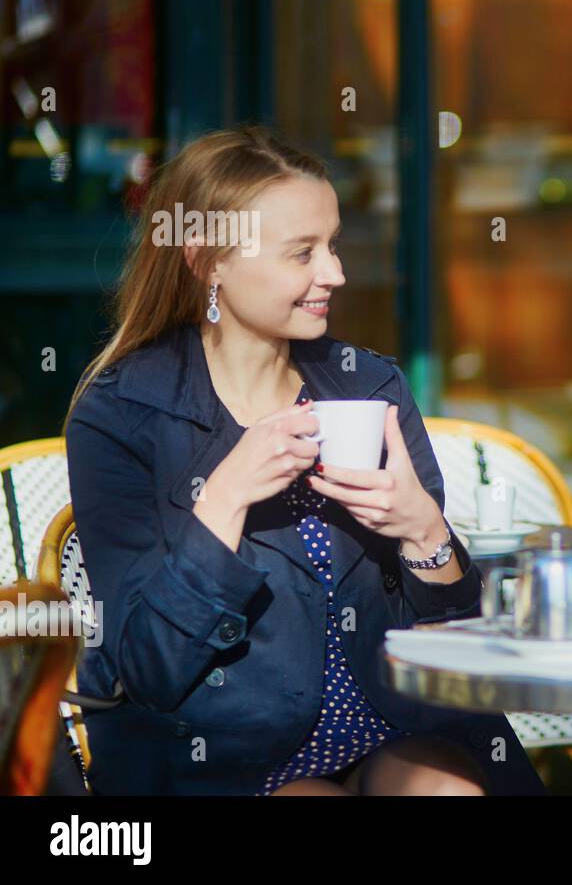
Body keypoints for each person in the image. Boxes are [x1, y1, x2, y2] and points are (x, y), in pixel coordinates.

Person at [63, 127, 544, 796]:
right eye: (303, 254)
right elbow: (148, 669)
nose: (335, 274)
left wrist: (425, 534)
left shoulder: (366, 387)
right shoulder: (123, 416)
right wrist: (223, 500)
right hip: (228, 754)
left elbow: (455, 639)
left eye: (333, 244)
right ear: (208, 261)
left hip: (392, 724)